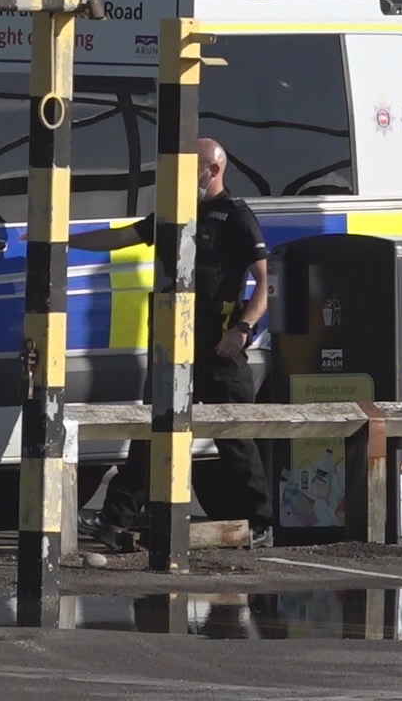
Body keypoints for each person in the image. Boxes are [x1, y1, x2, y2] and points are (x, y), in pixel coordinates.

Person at [73, 137, 275, 550]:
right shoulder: (174, 214)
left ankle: (261, 523)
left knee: (234, 438)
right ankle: (116, 521)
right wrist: (60, 240)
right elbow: (119, 238)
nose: (181, 177)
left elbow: (263, 285)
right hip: (175, 346)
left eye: (190, 169)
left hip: (220, 350)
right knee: (154, 434)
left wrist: (243, 330)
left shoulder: (236, 217)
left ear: (212, 170)